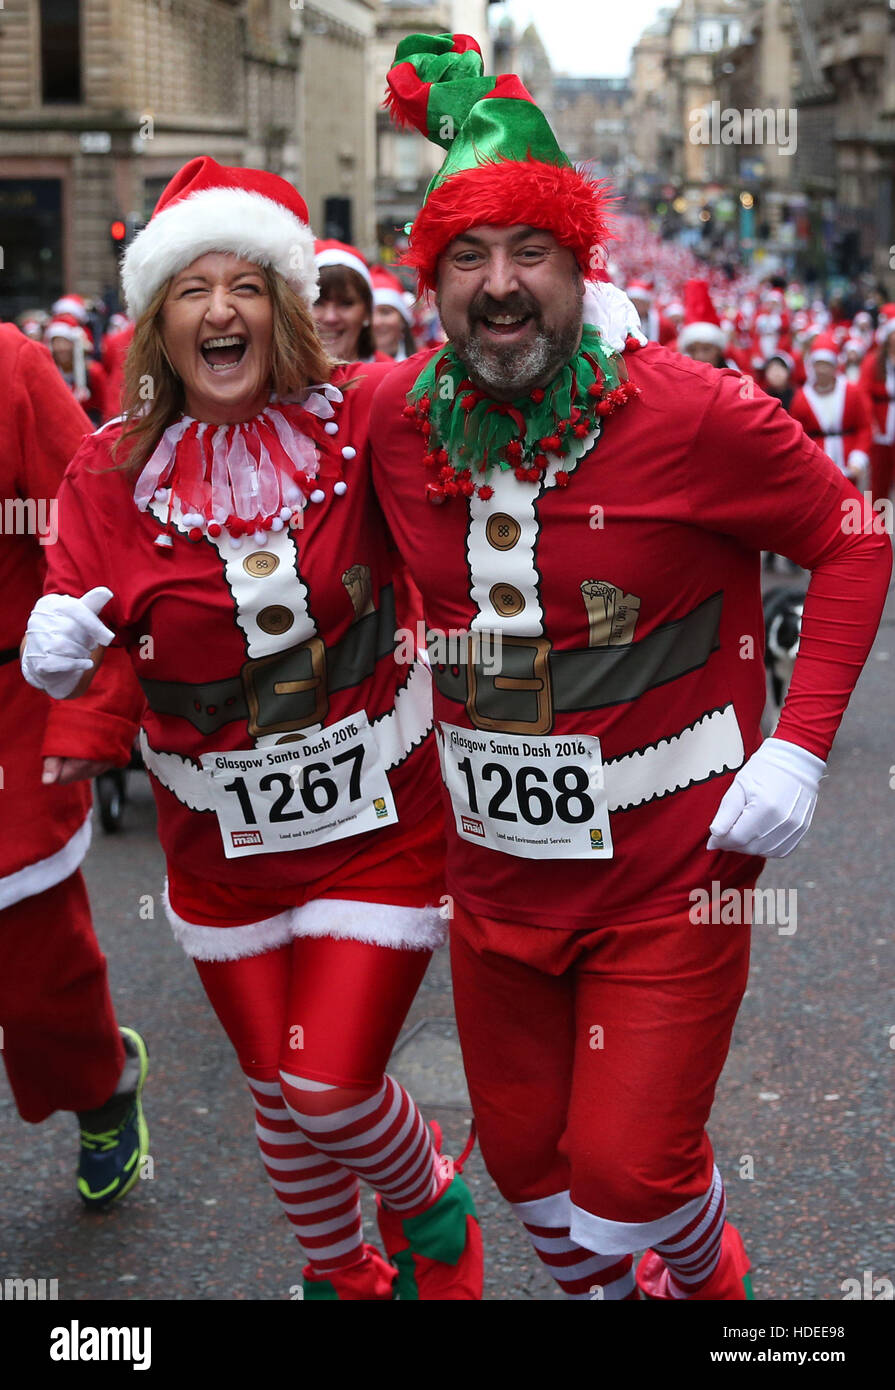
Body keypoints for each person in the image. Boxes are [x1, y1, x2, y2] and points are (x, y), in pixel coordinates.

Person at [370, 33, 892, 1301]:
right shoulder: (388, 417)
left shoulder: (691, 411)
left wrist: (800, 741)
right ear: (430, 283)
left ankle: (695, 1256)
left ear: (578, 263)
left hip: (673, 880)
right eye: (468, 259)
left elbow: (852, 537)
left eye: (529, 253)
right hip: (494, 889)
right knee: (535, 1172)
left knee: (620, 1179)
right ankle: (675, 1285)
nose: (500, 287)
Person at [22, 156, 481, 1302]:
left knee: (325, 1084)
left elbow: (486, 370)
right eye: (190, 288)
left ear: (279, 310)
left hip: (375, 819)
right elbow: (76, 590)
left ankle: (431, 1202)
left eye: (244, 285)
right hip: (216, 849)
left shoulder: (362, 415)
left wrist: (484, 185)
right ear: (159, 324)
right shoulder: (108, 466)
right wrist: (58, 639)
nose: (218, 310)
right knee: (275, 1090)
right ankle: (341, 1273)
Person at [1, 322, 149, 1207]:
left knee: (32, 969)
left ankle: (102, 1083)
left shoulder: (12, 367)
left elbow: (98, 535)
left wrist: (91, 714)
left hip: (11, 700)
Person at [789, 332, 872, 486]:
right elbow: (798, 434)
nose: (822, 370)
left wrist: (858, 457)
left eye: (826, 365)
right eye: (818, 364)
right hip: (817, 465)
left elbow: (864, 426)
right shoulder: (802, 398)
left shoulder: (851, 391)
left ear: (835, 366)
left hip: (849, 462)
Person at [312, 240, 394, 364]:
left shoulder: (394, 378)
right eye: (317, 302)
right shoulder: (279, 378)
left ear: (367, 312)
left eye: (345, 303)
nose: (330, 317)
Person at [858, 304, 895, 505]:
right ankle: (876, 527)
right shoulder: (873, 362)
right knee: (879, 482)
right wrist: (870, 419)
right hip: (880, 429)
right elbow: (863, 393)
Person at [371, 266, 416, 361]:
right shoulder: (343, 370)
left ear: (403, 320)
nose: (376, 322)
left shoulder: (428, 367)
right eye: (369, 313)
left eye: (385, 312)